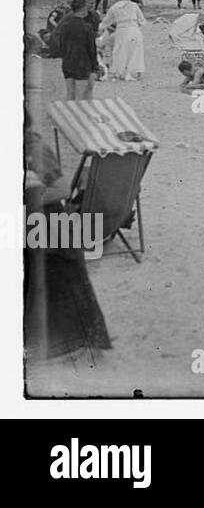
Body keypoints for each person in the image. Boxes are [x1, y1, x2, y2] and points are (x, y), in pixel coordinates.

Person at [24, 120, 112, 360]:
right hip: (31, 227)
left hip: (53, 226)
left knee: (66, 285)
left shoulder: (34, 148)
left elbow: (62, 190)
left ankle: (79, 346)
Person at [50, 0, 98, 100]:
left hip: (68, 62)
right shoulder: (87, 27)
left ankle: (68, 115)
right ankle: (80, 115)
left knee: (70, 94)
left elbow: (61, 44)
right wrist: (95, 68)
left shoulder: (65, 25)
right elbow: (91, 49)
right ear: (83, 9)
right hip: (82, 63)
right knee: (81, 95)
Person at [102, 0, 146, 81]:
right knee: (135, 51)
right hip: (134, 29)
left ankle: (121, 72)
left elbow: (105, 23)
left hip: (122, 30)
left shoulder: (114, 7)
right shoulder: (134, 5)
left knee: (120, 51)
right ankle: (133, 72)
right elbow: (142, 21)